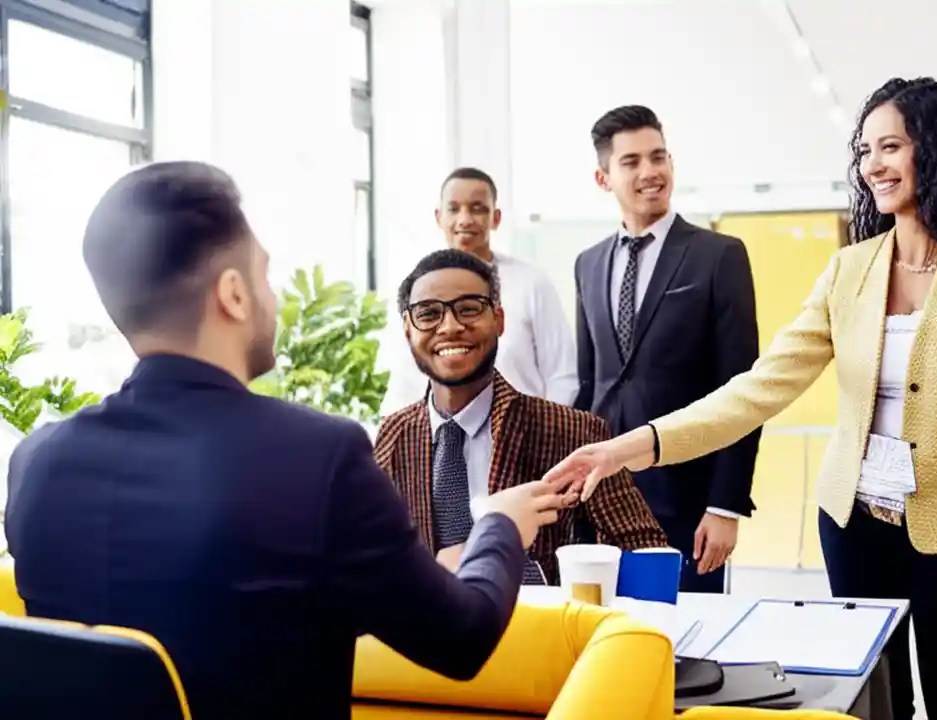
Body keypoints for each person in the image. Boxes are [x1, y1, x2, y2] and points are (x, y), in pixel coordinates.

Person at [2, 161, 575, 719]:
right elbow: (462, 639)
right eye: (263, 275)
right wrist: (499, 523)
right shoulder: (316, 457)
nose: (272, 298)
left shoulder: (37, 461)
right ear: (233, 294)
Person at [550, 80, 937, 719]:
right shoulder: (851, 268)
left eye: (890, 147)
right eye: (865, 150)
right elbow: (758, 389)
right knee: (874, 702)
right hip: (854, 525)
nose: (872, 166)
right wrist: (628, 448)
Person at [375, 249, 668, 584]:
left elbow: (646, 555)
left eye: (469, 309)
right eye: (428, 314)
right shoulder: (392, 437)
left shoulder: (572, 433)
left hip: (545, 631)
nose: (450, 326)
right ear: (407, 330)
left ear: (499, 320)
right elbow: (364, 565)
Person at [573, 105, 761, 593]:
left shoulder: (718, 256)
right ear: (603, 177)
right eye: (631, 161)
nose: (650, 172)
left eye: (658, 157)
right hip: (603, 500)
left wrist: (726, 506)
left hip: (688, 499)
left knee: (688, 651)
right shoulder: (587, 265)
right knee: (604, 638)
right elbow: (590, 386)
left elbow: (742, 391)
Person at [380, 167, 577, 414]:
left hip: (524, 437)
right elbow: (403, 383)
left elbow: (561, 376)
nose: (465, 219)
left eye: (477, 208)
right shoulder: (415, 289)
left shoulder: (531, 283)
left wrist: (545, 434)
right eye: (454, 209)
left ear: (496, 217)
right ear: (438, 217)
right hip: (438, 441)